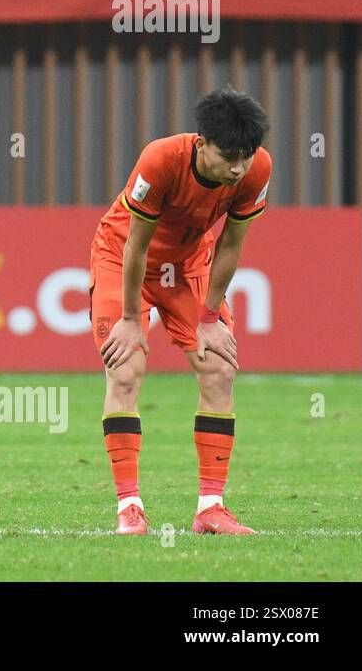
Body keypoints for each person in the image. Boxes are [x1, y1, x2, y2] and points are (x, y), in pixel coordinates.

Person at [90, 86, 271, 536]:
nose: (238, 166)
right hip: (123, 258)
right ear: (201, 143)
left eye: (246, 155)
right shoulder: (161, 159)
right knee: (126, 369)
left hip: (189, 266)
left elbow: (230, 244)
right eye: (229, 155)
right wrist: (133, 319)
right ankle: (129, 509)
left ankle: (211, 509)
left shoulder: (256, 168)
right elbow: (136, 243)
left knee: (219, 370)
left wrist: (210, 318)